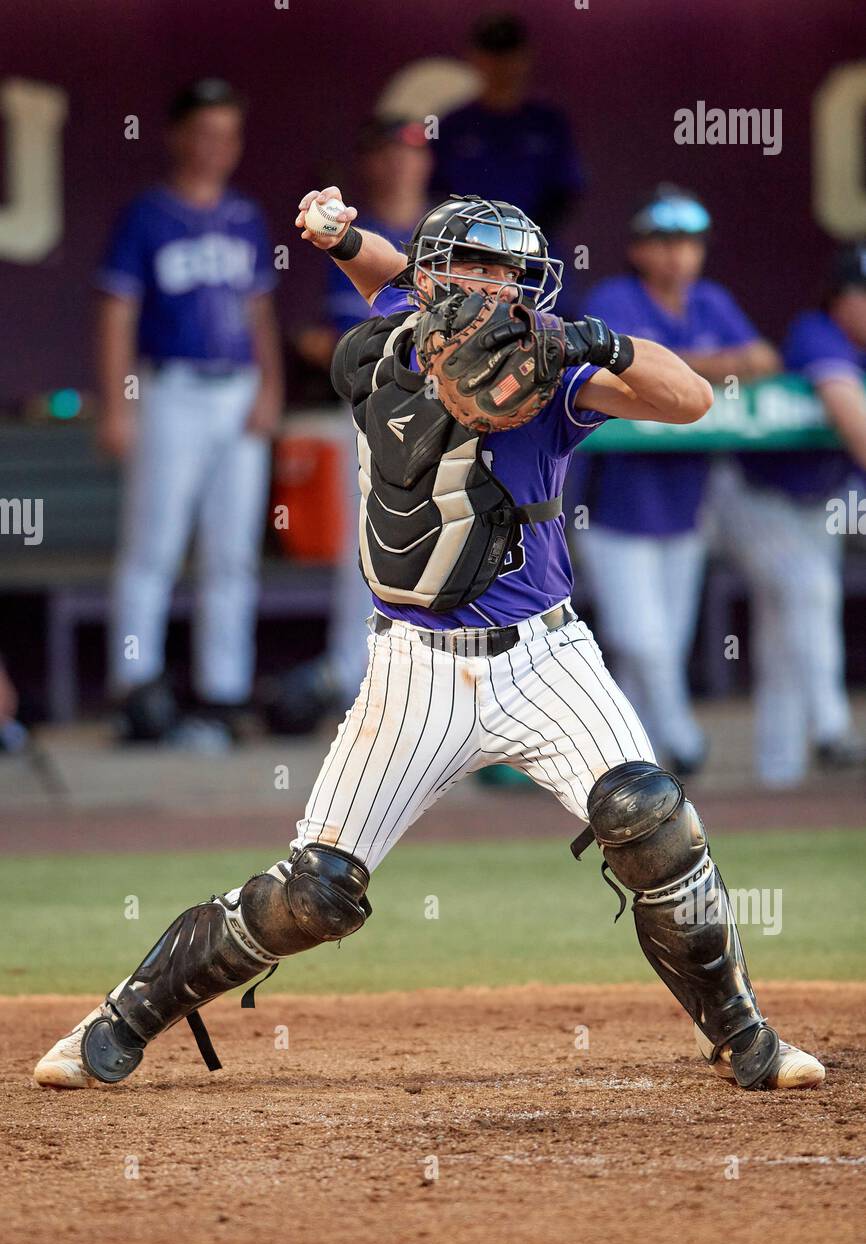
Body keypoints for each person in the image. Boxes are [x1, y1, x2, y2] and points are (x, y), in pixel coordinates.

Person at [34, 190, 822, 1094]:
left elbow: (687, 401)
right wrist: (340, 239)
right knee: (316, 895)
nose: (491, 288)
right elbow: (389, 271)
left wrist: (590, 340)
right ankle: (124, 1016)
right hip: (414, 670)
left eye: (509, 271)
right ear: (430, 277)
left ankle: (742, 1034)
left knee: (648, 816)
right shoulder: (394, 336)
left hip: (545, 657)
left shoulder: (549, 366)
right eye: (472, 268)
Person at [97, 79, 284, 749]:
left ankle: (222, 692)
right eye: (204, 132)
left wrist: (271, 386)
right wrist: (119, 405)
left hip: (236, 389)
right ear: (177, 135)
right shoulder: (146, 215)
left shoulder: (246, 217)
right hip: (170, 388)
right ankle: (135, 689)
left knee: (232, 553)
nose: (216, 148)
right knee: (153, 548)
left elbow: (260, 310)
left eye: (228, 135)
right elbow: (117, 312)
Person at [575, 186, 780, 774]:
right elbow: (626, 365)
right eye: (663, 242)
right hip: (612, 506)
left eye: (687, 243)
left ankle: (631, 769)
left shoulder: (709, 299)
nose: (676, 256)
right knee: (642, 640)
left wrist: (685, 365)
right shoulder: (616, 294)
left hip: (685, 501)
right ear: (639, 248)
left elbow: (763, 357)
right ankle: (680, 738)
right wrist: (705, 366)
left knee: (666, 639)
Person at [272, 118, 433, 733]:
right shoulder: (343, 238)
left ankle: (420, 682)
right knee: (364, 550)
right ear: (370, 163)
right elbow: (310, 333)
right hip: (363, 413)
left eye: (410, 154)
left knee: (438, 541)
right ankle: (357, 674)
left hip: (441, 415)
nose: (399, 165)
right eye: (387, 154)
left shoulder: (440, 234)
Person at [713, 243, 866, 786]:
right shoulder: (816, 332)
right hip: (754, 496)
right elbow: (854, 422)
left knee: (785, 634)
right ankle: (830, 727)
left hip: (818, 504)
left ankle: (778, 779)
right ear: (840, 300)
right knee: (811, 591)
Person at [430, 13, 584, 238]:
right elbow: (436, 192)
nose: (500, 64)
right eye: (491, 52)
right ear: (474, 57)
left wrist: (522, 235)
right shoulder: (453, 126)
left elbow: (566, 192)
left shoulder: (549, 123)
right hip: (468, 248)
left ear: (525, 56)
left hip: (536, 249)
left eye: (508, 52)